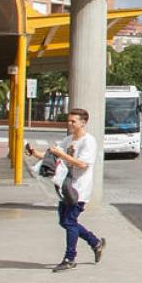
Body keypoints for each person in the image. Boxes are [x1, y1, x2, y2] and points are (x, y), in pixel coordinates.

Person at [24, 108, 105, 273]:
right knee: (65, 221)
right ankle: (95, 243)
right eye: (69, 121)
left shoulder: (88, 141)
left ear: (83, 122)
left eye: (73, 121)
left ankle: (70, 258)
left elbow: (82, 164)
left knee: (69, 222)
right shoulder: (68, 140)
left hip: (79, 189)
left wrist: (61, 154)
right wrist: (34, 153)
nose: (70, 124)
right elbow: (52, 155)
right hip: (64, 186)